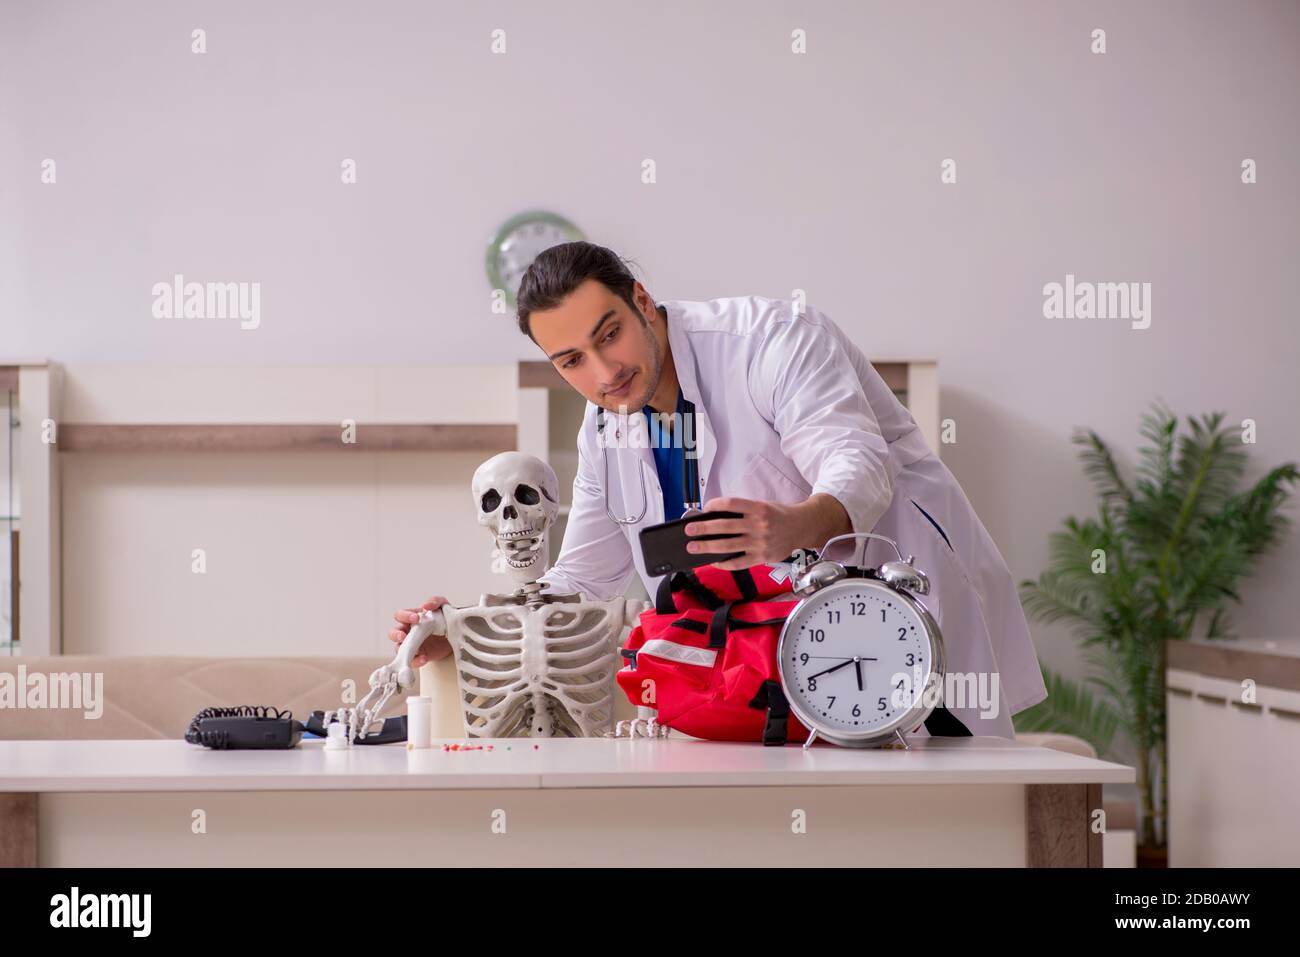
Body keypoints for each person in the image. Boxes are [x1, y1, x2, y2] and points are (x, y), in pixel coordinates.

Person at [390, 242, 1047, 736]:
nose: (603, 371)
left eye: (609, 334)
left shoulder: (772, 339)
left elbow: (856, 459)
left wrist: (801, 522)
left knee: (954, 812)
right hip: (767, 665)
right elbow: (583, 580)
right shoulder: (604, 429)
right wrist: (469, 633)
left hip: (900, 603)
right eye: (571, 361)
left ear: (642, 300)